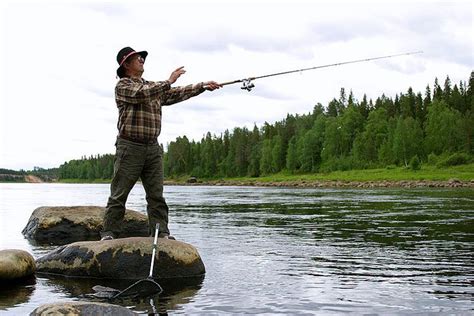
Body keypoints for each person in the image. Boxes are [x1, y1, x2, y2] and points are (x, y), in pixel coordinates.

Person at [100, 47, 221, 240]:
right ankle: (109, 234)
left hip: (152, 149)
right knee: (118, 195)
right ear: (126, 64)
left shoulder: (152, 87)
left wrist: (202, 86)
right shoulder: (123, 86)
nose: (141, 59)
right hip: (129, 147)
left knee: (156, 196)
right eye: (136, 58)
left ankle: (160, 233)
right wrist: (168, 81)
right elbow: (142, 94)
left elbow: (175, 93)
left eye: (142, 57)